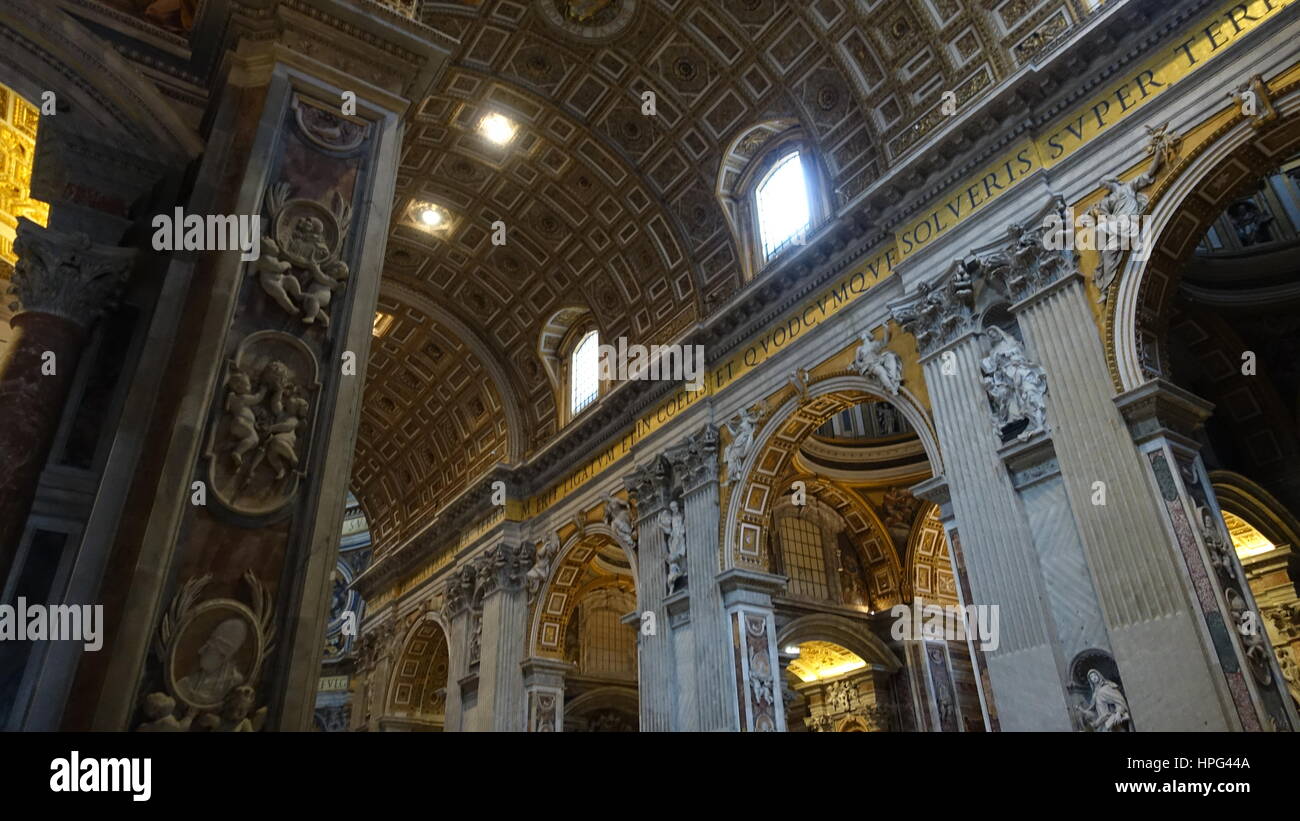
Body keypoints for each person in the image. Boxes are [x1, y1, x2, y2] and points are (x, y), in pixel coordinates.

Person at [178, 617, 249, 705]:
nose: (201, 650)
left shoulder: (233, 682)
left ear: (223, 654)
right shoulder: (187, 682)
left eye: (210, 646)